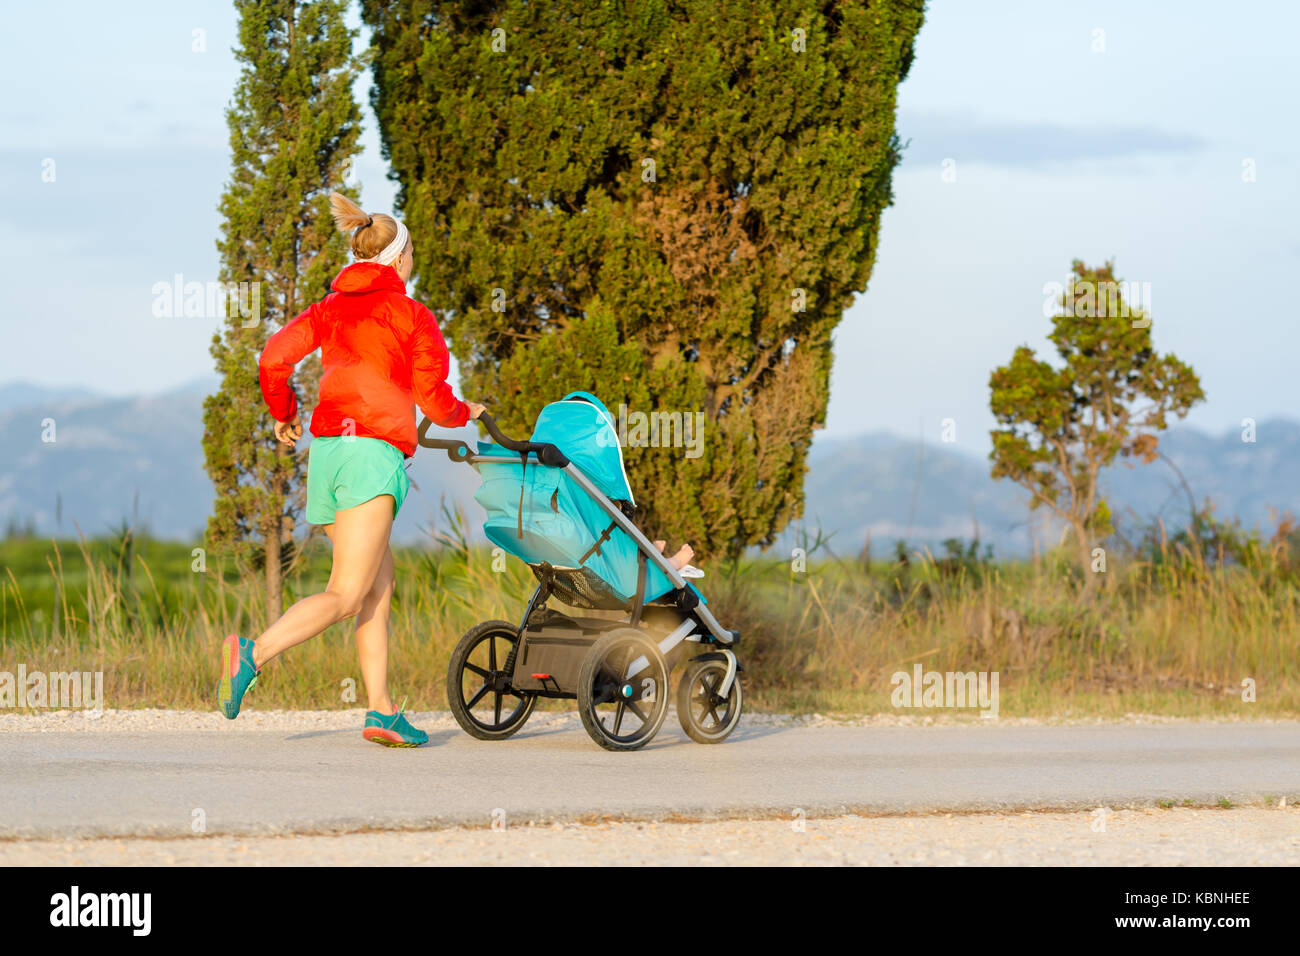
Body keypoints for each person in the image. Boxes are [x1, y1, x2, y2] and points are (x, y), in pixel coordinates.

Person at [217, 192, 484, 747]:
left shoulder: (330, 308)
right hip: (369, 455)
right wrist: (466, 412)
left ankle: (381, 710)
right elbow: (434, 401)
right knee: (345, 593)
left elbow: (272, 358)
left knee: (376, 588)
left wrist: (284, 413)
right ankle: (254, 653)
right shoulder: (411, 315)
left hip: (330, 454)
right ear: (400, 260)